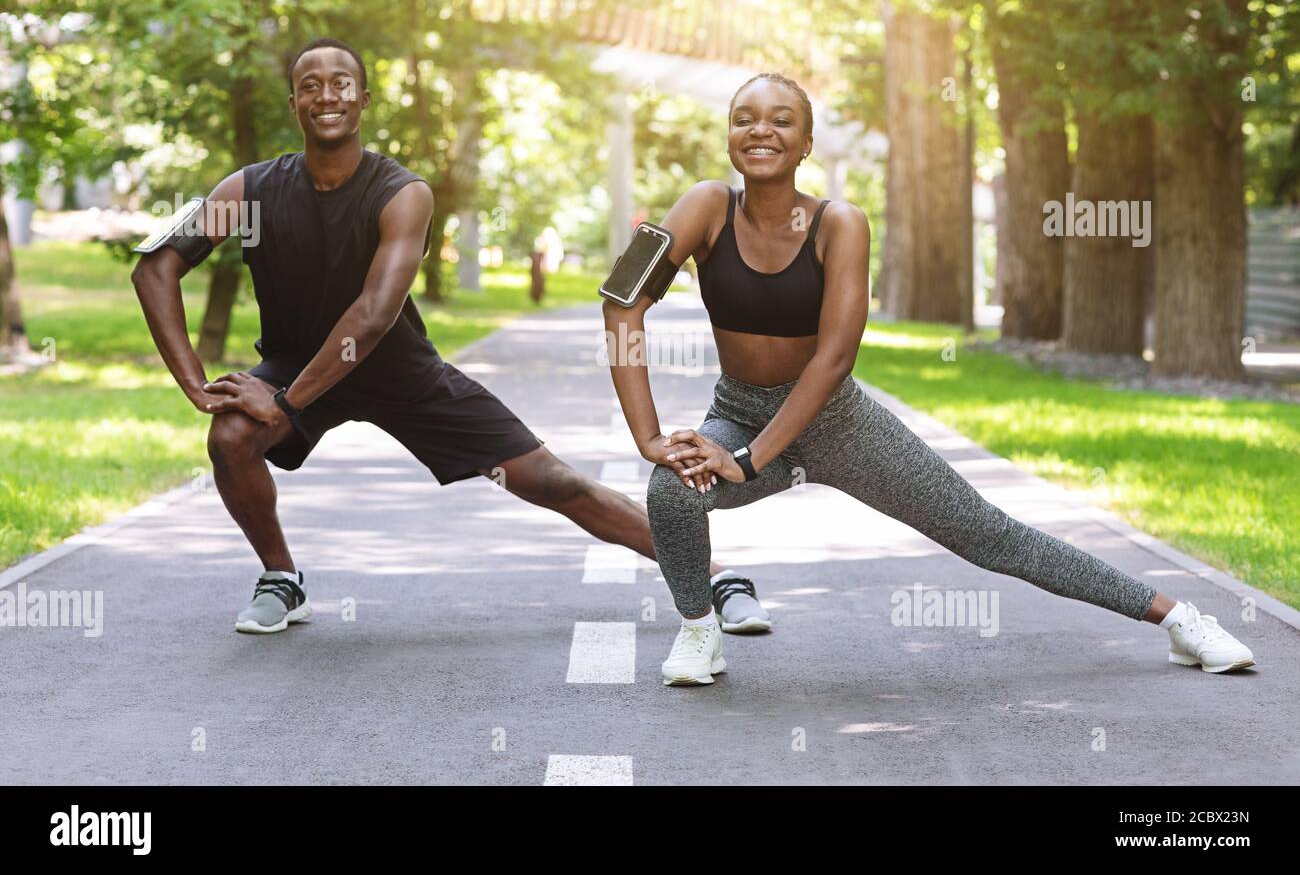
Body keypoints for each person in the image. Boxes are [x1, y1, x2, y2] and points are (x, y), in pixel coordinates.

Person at [603, 71, 1255, 686]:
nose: (761, 131)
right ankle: (697, 629)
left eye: (781, 120)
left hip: (837, 422)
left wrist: (749, 460)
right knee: (671, 489)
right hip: (740, 413)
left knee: (989, 536)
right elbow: (622, 300)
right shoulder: (706, 206)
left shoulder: (840, 224)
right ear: (729, 136)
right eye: (744, 119)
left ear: (805, 143)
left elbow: (834, 360)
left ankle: (1179, 620)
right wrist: (650, 437)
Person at [131, 37, 771, 635]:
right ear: (294, 100)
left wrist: (287, 403)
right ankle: (281, 576)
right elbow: (156, 267)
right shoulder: (250, 190)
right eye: (310, 85)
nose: (326, 95)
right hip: (300, 370)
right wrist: (197, 388)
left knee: (554, 483)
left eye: (341, 83)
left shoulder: (401, 192)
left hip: (399, 373)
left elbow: (374, 315)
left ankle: (714, 577)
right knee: (232, 435)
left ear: (363, 99)